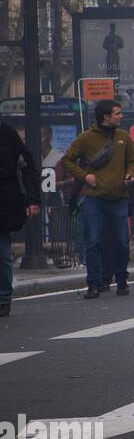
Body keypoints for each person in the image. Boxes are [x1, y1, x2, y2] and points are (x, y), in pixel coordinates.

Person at [61, 99, 134, 298]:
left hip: (119, 197)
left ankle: (122, 281)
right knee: (93, 242)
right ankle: (94, 284)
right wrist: (85, 176)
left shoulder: (123, 136)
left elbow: (132, 160)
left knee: (122, 242)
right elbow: (67, 160)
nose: (122, 116)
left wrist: (130, 174)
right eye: (118, 113)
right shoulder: (86, 138)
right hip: (94, 199)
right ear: (106, 116)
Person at [0, 119, 41, 318]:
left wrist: (33, 199)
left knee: (2, 253)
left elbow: (27, 166)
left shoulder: (6, 133)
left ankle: (3, 298)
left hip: (4, 199)